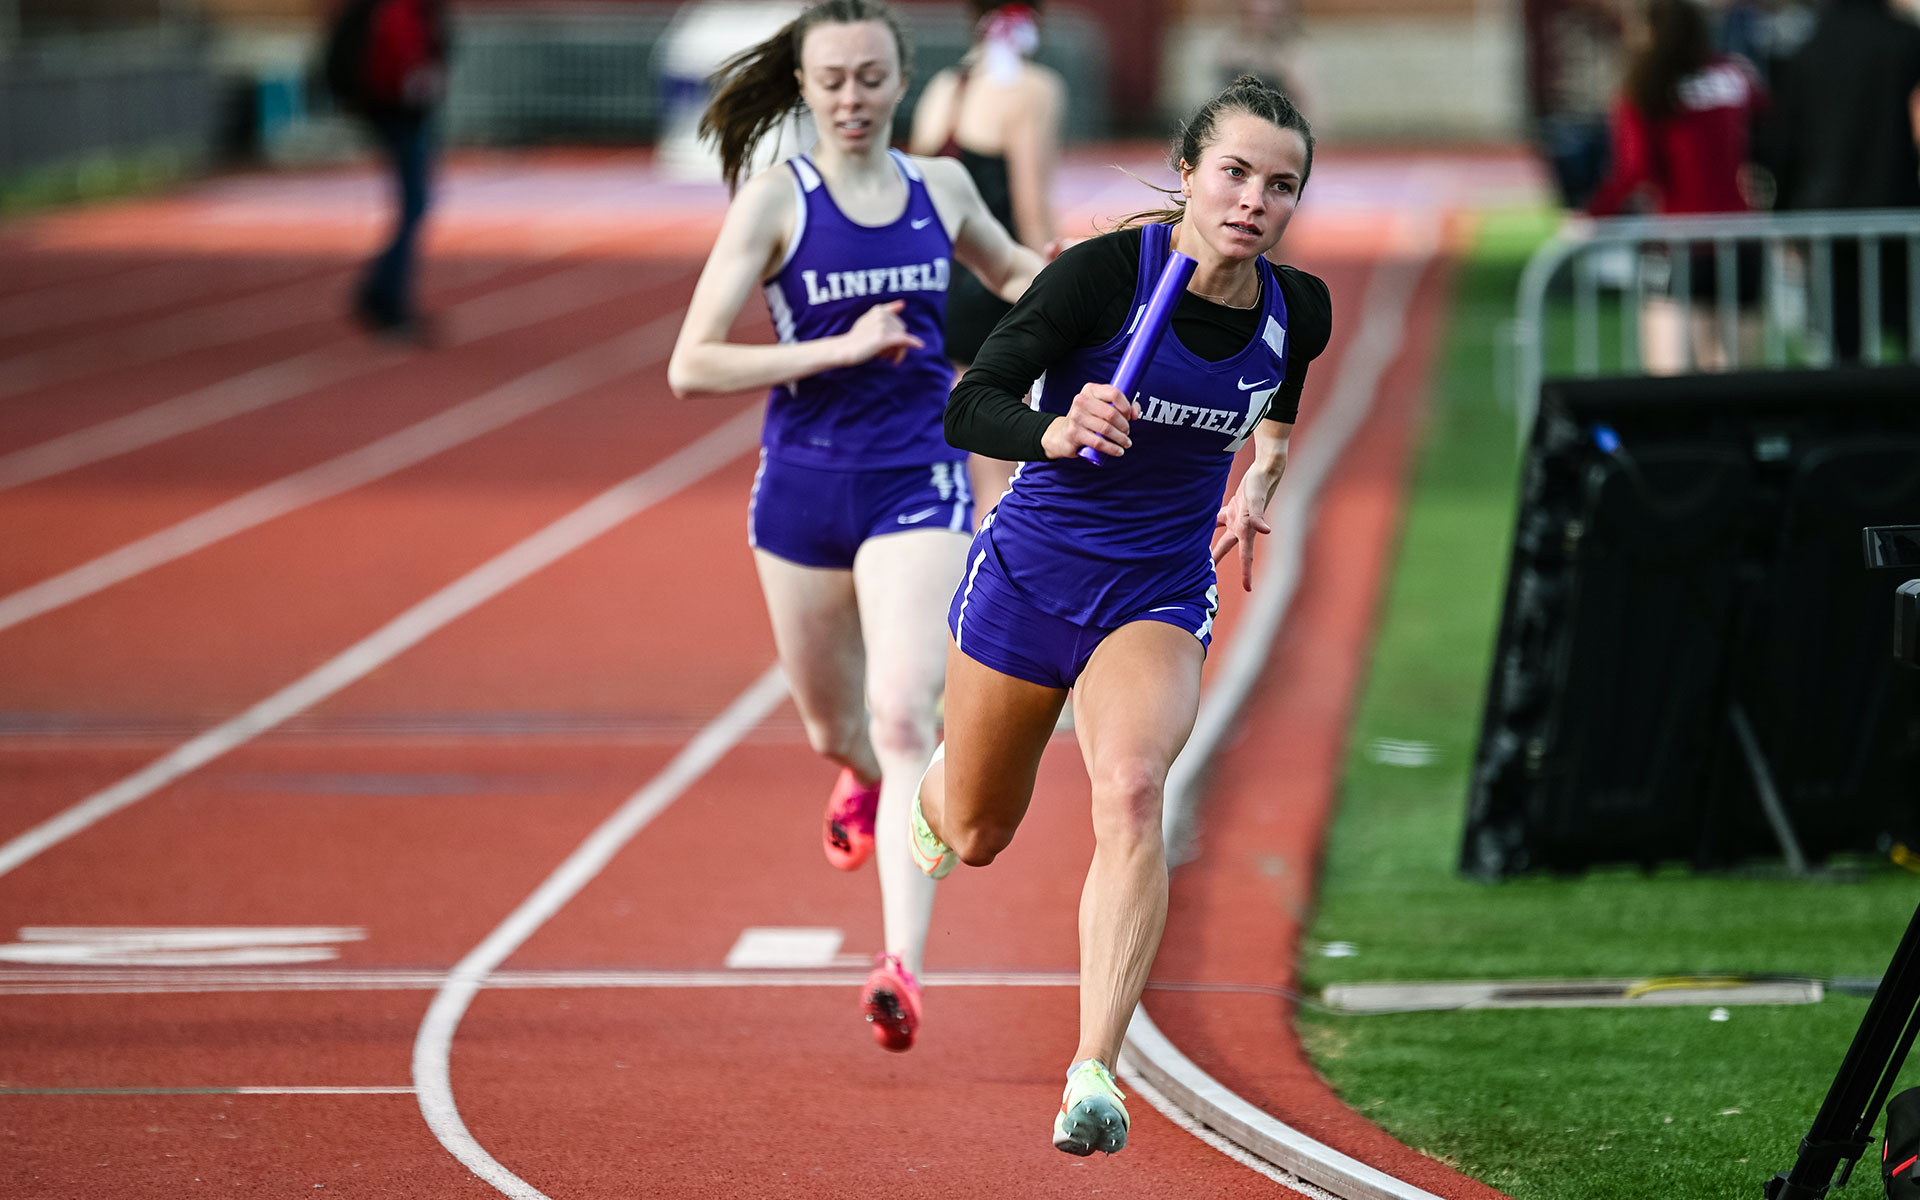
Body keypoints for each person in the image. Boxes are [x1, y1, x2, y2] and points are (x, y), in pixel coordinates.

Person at [908, 75, 1331, 1155]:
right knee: (977, 832)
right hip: (1034, 575)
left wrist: (1258, 487)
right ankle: (938, 783)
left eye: (1280, 186)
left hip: (1155, 590)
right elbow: (970, 402)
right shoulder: (1102, 277)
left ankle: (1094, 1067)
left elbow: (1274, 420)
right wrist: (1056, 426)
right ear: (1189, 172)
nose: (1254, 200)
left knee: (1134, 790)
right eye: (1234, 173)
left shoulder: (1299, 308)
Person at [666, 0, 1046, 1052]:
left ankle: (900, 966)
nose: (851, 98)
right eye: (831, 79)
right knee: (837, 732)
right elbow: (691, 364)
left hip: (916, 478)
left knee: (901, 709)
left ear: (901, 80)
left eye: (870, 77)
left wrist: (1075, 298)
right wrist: (832, 352)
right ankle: (867, 784)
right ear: (802, 86)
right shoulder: (774, 203)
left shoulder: (942, 187)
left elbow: (1012, 272)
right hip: (800, 489)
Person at [907, 1, 1064, 515]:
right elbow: (1029, 207)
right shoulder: (1033, 89)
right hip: (996, 284)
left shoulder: (942, 89)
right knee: (1004, 469)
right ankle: (995, 586)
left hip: (940, 279)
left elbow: (915, 193)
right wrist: (1062, 284)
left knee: (965, 461)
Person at [1586, 0, 1767, 371]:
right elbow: (1771, 137)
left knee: (1671, 386)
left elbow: (1635, 169)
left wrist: (1592, 216)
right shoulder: (1736, 74)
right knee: (1739, 382)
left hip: (1679, 241)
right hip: (1741, 237)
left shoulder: (1648, 84)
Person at [1768, 0, 1920, 360]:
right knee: (1910, 337)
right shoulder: (1907, 42)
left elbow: (1784, 142)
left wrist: (1784, 216)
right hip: (1897, 212)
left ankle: (1848, 417)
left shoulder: (1810, 48)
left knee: (1840, 348)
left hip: (1827, 219)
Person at [324, 0, 449, 340]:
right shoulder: (404, 7)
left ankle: (383, 294)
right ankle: (384, 297)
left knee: (414, 206)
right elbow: (404, 52)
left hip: (390, 109)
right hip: (400, 111)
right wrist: (421, 85)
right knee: (415, 205)